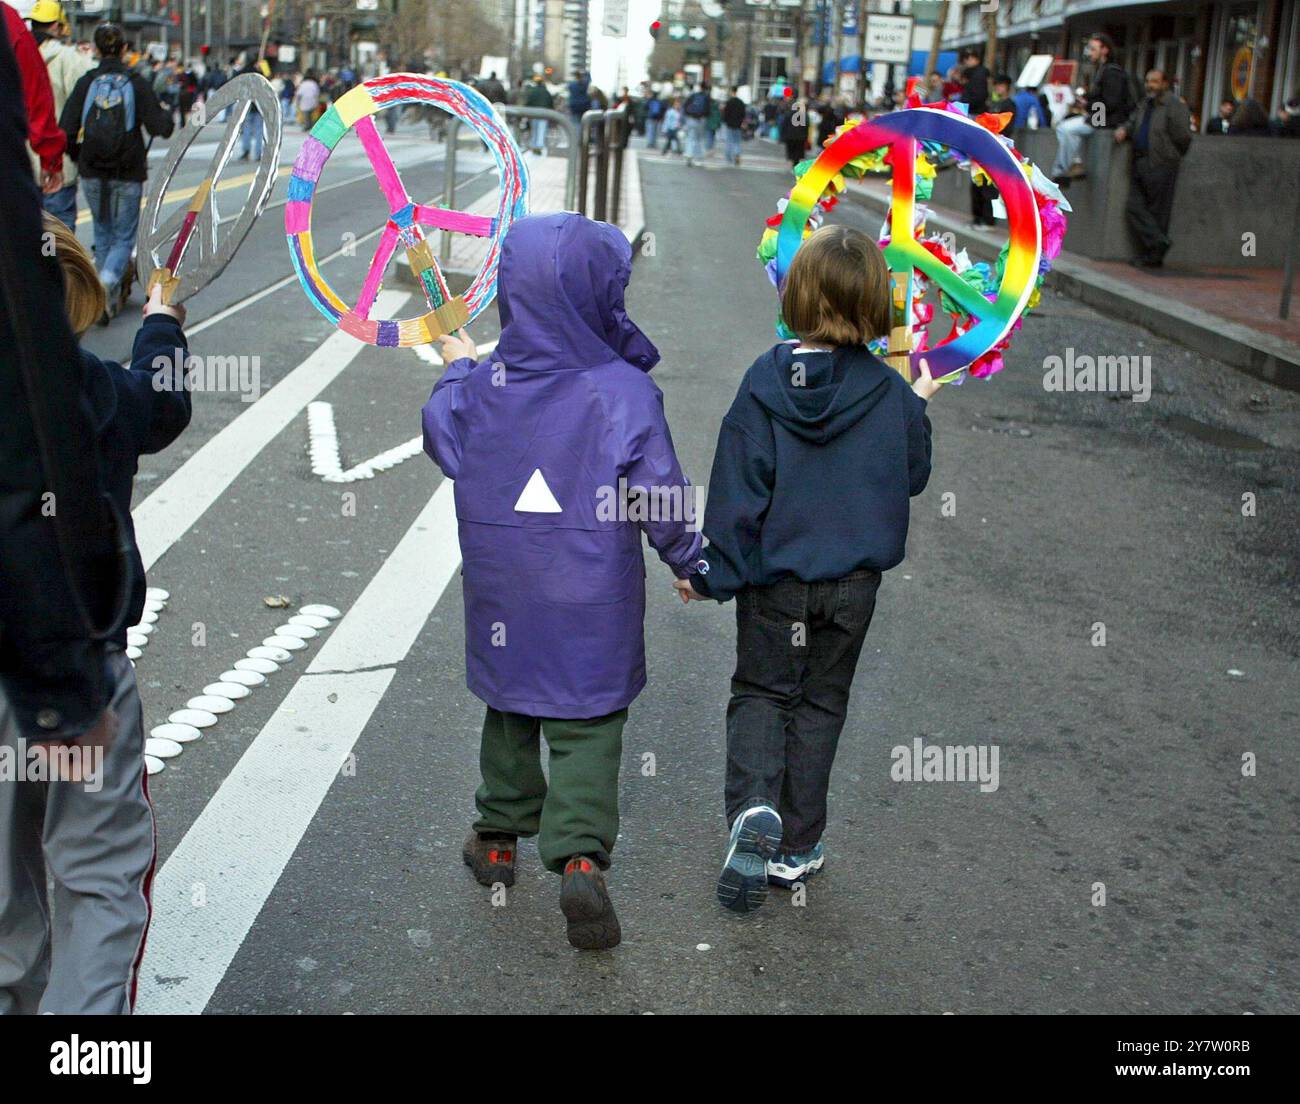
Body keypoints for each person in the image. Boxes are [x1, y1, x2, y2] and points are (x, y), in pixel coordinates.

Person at [421, 213, 703, 951]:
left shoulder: (486, 382)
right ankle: (579, 858)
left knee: (509, 708)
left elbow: (444, 433)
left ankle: (496, 841)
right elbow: (659, 492)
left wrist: (458, 363)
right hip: (591, 598)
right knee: (587, 725)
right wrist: (691, 560)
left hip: (504, 588)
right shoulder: (622, 391)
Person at [673, 225, 934, 913]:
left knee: (763, 692)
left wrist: (710, 575)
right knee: (821, 702)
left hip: (775, 583)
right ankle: (797, 849)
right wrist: (916, 406)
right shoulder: (889, 391)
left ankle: (756, 808)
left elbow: (738, 491)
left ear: (793, 297)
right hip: (853, 587)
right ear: (876, 302)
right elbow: (913, 476)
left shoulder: (764, 381)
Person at [1, 208, 191, 1013]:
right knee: (100, 877)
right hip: (80, 675)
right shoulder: (93, 392)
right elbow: (165, 403)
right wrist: (162, 321)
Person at [60, 21, 173, 316]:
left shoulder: (87, 82)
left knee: (103, 231)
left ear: (95, 49)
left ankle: (105, 298)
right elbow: (161, 127)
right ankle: (102, 286)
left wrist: (78, 156)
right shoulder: (136, 82)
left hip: (92, 169)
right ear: (124, 49)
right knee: (124, 237)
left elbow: (67, 128)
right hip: (128, 170)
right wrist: (167, 114)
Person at [1114, 69, 1191, 269]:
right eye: (1148, 81)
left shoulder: (1174, 106)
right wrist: (1125, 129)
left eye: (1155, 81)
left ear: (1165, 83)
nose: (1150, 85)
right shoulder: (1144, 104)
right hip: (1140, 161)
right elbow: (1134, 123)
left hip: (1161, 163)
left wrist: (1169, 155)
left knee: (1158, 210)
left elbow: (1183, 137)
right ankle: (1158, 242)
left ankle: (1153, 255)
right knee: (1134, 206)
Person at [23, 1, 90, 229]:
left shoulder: (18, 52)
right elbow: (85, 98)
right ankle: (55, 264)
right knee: (57, 230)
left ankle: (42, 262)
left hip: (23, 160)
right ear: (58, 26)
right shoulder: (67, 57)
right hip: (55, 158)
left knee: (31, 230)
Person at [1051, 32, 1135, 184]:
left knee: (1065, 128)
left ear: (1105, 50)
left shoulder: (1111, 72)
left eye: (1093, 49)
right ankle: (1073, 163)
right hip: (1101, 117)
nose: (1089, 53)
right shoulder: (1104, 70)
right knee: (1066, 126)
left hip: (1106, 120)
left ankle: (1064, 169)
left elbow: (1111, 102)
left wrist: (1087, 104)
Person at [523, 73, 552, 154]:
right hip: (543, 113)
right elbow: (550, 103)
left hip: (534, 113)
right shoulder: (546, 91)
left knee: (534, 130)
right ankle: (539, 146)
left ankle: (534, 145)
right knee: (541, 130)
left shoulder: (532, 91)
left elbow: (528, 102)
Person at [683, 83, 710, 166]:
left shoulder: (693, 96)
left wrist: (689, 114)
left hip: (691, 119)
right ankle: (698, 158)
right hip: (701, 120)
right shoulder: (706, 97)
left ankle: (689, 154)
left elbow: (685, 106)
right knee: (700, 139)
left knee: (690, 137)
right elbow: (708, 110)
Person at [958, 47, 989, 114]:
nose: (967, 61)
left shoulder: (980, 74)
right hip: (968, 109)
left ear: (977, 60)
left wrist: (968, 104)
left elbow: (980, 95)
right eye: (966, 58)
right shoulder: (968, 72)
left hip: (975, 111)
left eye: (970, 58)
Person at [779, 95, 808, 166]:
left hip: (791, 136)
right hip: (800, 137)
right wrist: (806, 136)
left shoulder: (789, 114)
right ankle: (795, 162)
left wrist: (783, 135)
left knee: (792, 150)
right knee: (798, 151)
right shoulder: (804, 115)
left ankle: (793, 161)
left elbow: (784, 125)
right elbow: (806, 126)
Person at [721, 85, 745, 165]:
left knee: (729, 141)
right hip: (738, 124)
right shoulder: (740, 102)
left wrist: (725, 121)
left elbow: (725, 114)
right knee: (737, 141)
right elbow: (743, 114)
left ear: (732, 91)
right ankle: (737, 154)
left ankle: (729, 157)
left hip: (729, 124)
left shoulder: (729, 102)